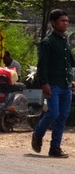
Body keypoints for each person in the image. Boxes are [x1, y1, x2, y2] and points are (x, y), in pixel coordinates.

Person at [31, 9, 74, 158]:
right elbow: (42, 65)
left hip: (66, 85)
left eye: (67, 21)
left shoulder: (65, 41)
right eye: (62, 21)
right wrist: (44, 84)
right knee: (53, 113)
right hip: (53, 84)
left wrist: (71, 79)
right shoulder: (48, 42)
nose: (65, 23)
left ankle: (55, 148)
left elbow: (68, 63)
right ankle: (37, 134)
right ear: (53, 23)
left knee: (62, 117)